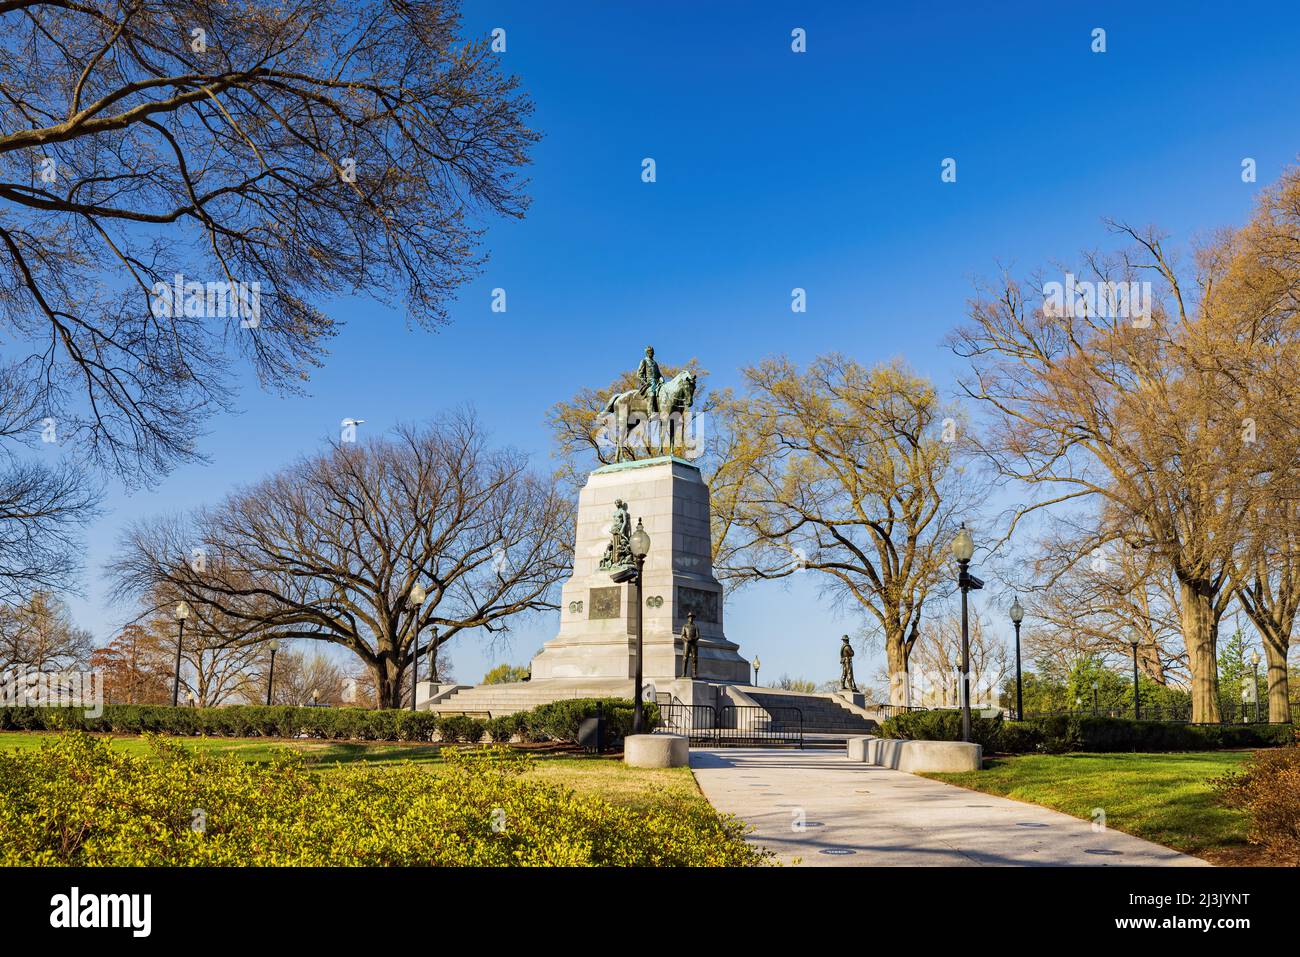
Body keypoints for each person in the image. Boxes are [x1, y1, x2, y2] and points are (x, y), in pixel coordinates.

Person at [636, 346, 663, 413]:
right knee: (652, 392)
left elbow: (659, 374)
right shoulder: (644, 361)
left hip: (657, 383)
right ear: (647, 353)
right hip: (649, 383)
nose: (652, 353)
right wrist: (644, 382)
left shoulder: (655, 363)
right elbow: (639, 374)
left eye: (652, 352)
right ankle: (650, 413)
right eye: (650, 352)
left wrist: (661, 378)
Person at [680, 611, 700, 678]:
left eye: (692, 617)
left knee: (694, 659)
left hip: (693, 644)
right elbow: (682, 635)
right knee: (685, 658)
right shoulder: (685, 626)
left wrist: (693, 639)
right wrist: (687, 639)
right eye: (690, 617)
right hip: (687, 644)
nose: (691, 618)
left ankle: (694, 674)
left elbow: (698, 636)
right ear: (688, 618)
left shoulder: (695, 626)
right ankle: (684, 673)